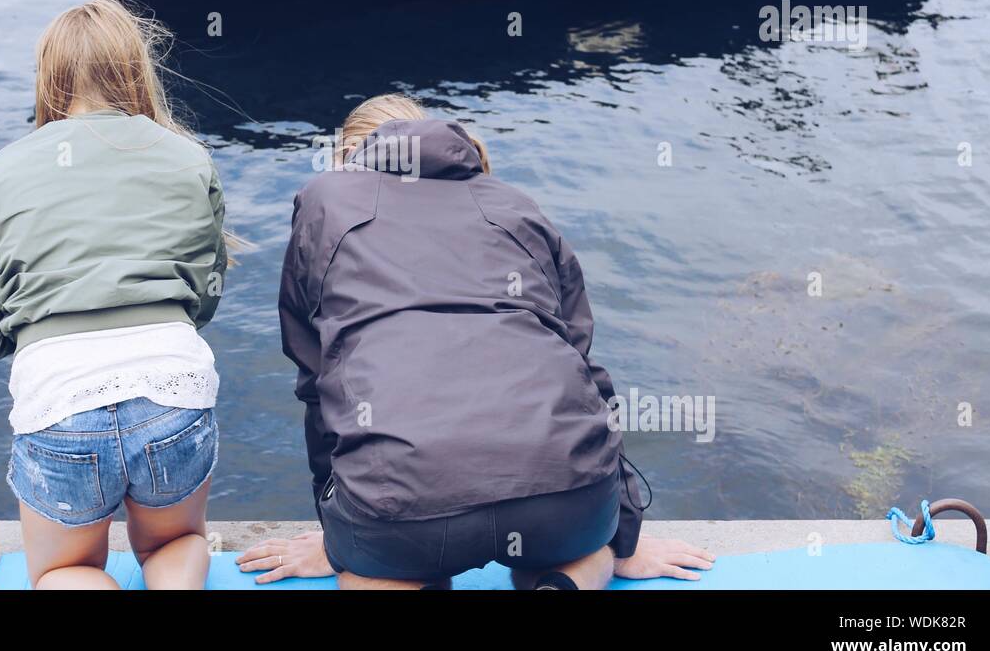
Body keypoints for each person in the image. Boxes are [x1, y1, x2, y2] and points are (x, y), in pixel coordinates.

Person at [240, 94, 712, 589]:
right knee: (589, 554)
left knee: (376, 577)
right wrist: (622, 534)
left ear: (347, 157)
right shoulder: (515, 205)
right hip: (569, 498)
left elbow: (318, 382)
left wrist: (340, 537)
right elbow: (582, 368)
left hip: (404, 514)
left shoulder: (324, 200)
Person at [0, 0, 230, 590]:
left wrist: (37, 324)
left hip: (60, 400)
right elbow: (202, 299)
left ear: (48, 78)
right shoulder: (189, 158)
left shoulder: (5, 169)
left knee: (65, 571)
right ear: (135, 69)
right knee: (175, 543)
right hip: (171, 388)